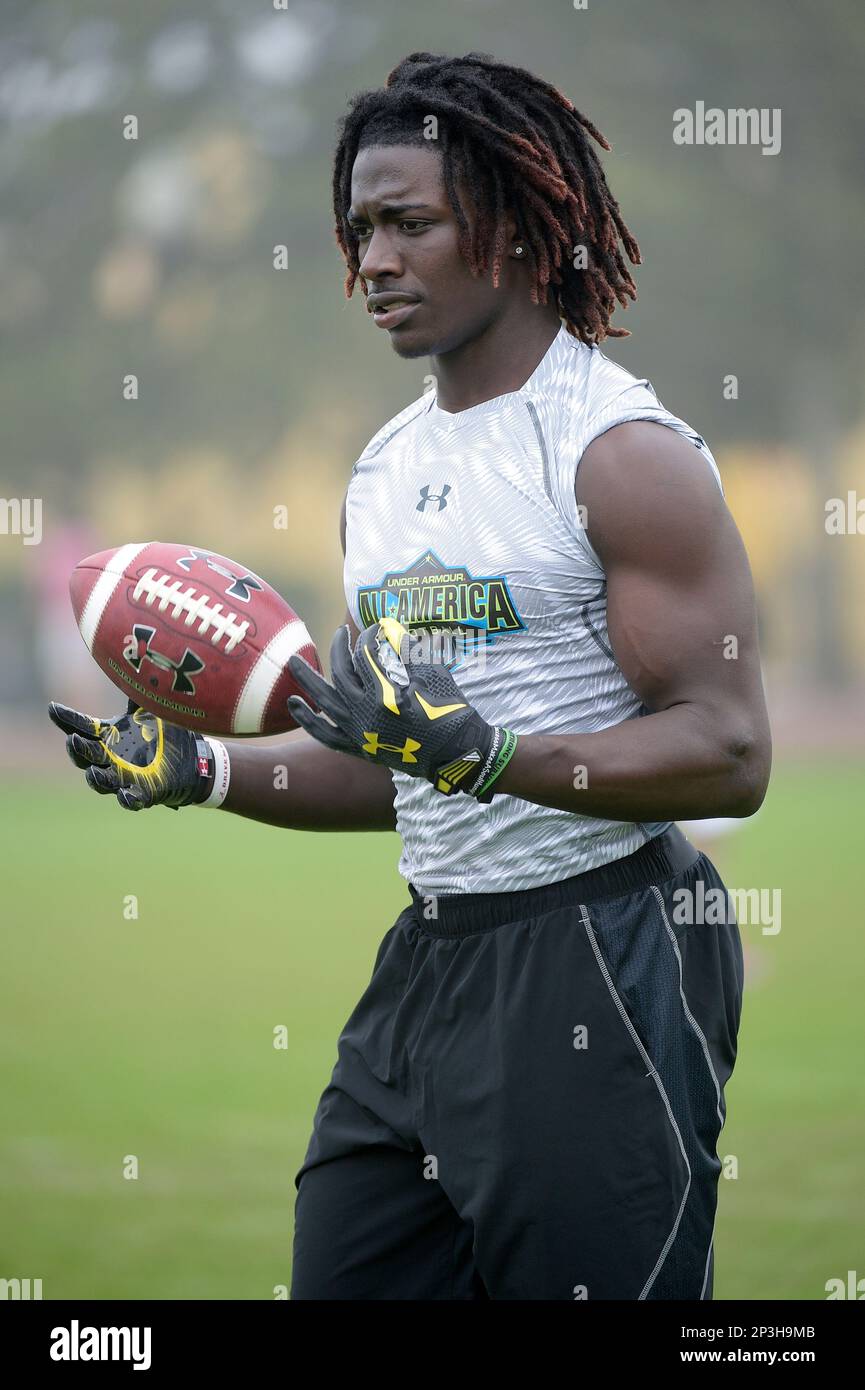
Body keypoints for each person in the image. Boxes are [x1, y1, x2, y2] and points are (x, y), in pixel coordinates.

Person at [49, 51, 771, 1300]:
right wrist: (205, 767)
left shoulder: (620, 454)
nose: (372, 261)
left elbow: (730, 751)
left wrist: (492, 756)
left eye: (407, 223)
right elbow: (389, 755)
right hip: (427, 966)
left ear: (506, 224)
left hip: (596, 949)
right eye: (357, 228)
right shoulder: (383, 471)